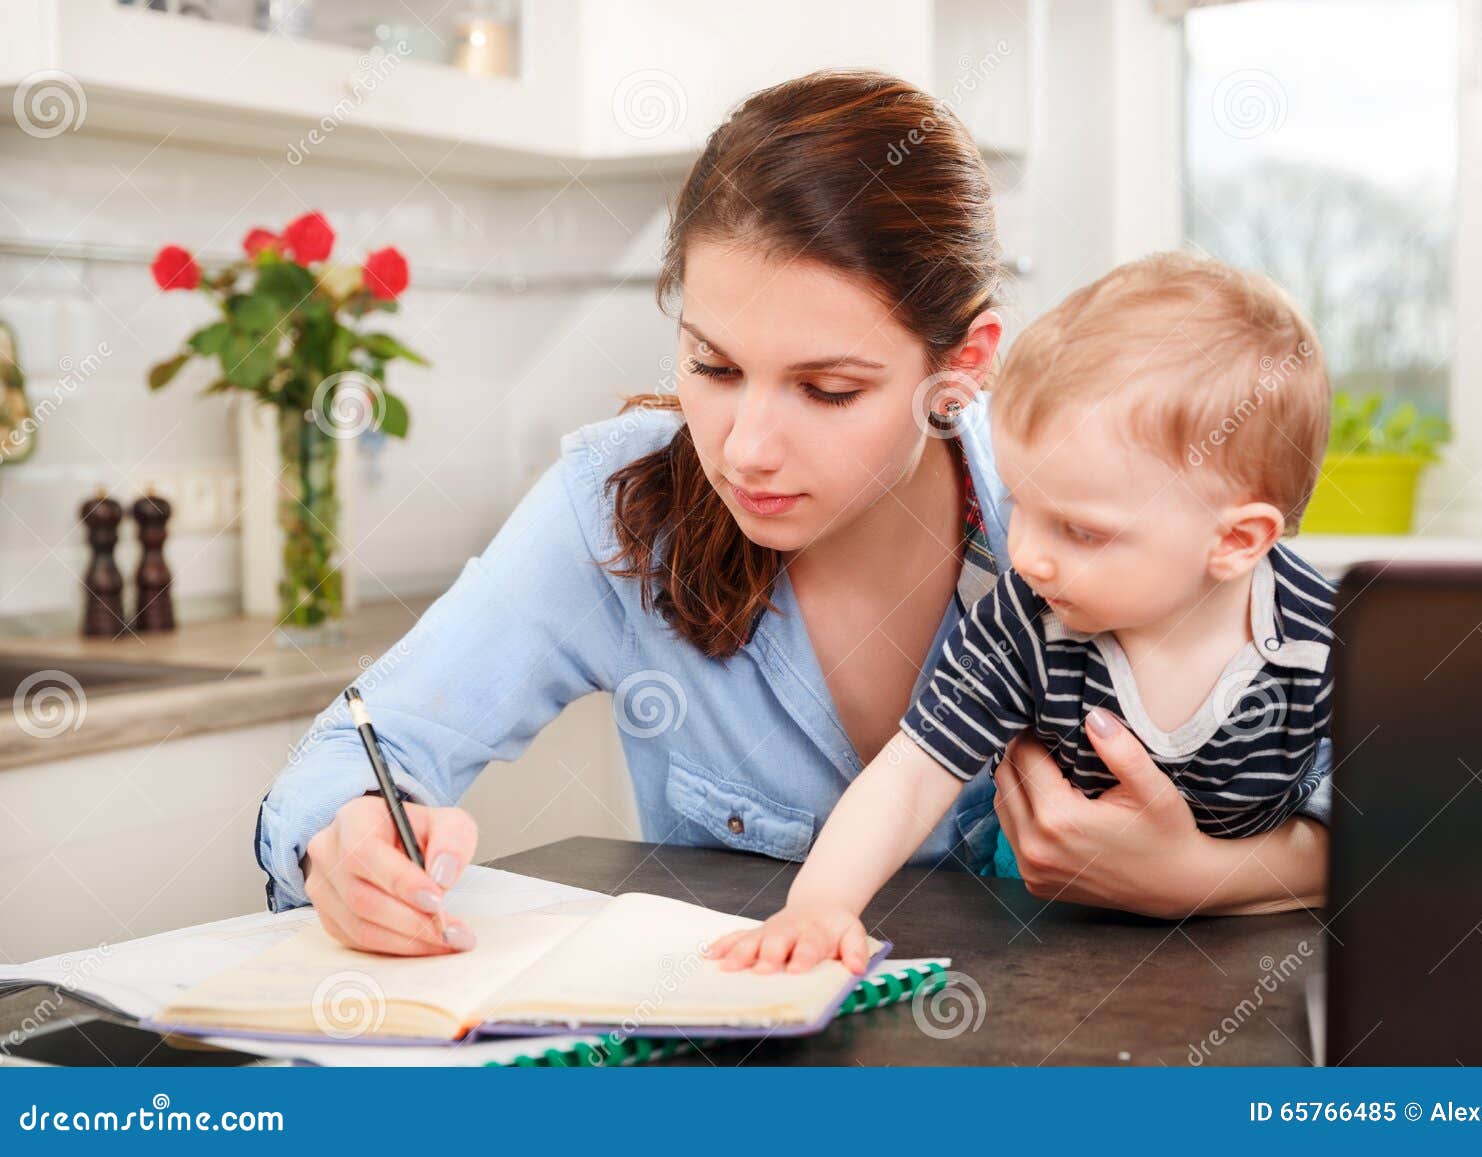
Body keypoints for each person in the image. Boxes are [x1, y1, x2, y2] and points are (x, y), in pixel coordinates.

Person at [253, 72, 1333, 958]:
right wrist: (342, 844)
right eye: (712, 365)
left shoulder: (1089, 505)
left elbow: (1402, 808)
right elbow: (364, 748)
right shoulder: (616, 504)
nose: (745, 446)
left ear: (962, 365)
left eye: (828, 389)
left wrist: (1208, 874)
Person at [708, 252, 1335, 974]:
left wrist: (1204, 880)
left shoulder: (1324, 644)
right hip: (1044, 961)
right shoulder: (1026, 620)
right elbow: (911, 771)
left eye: (1081, 530)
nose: (1028, 554)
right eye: (1018, 503)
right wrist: (820, 902)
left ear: (1235, 540)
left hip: (1260, 970)